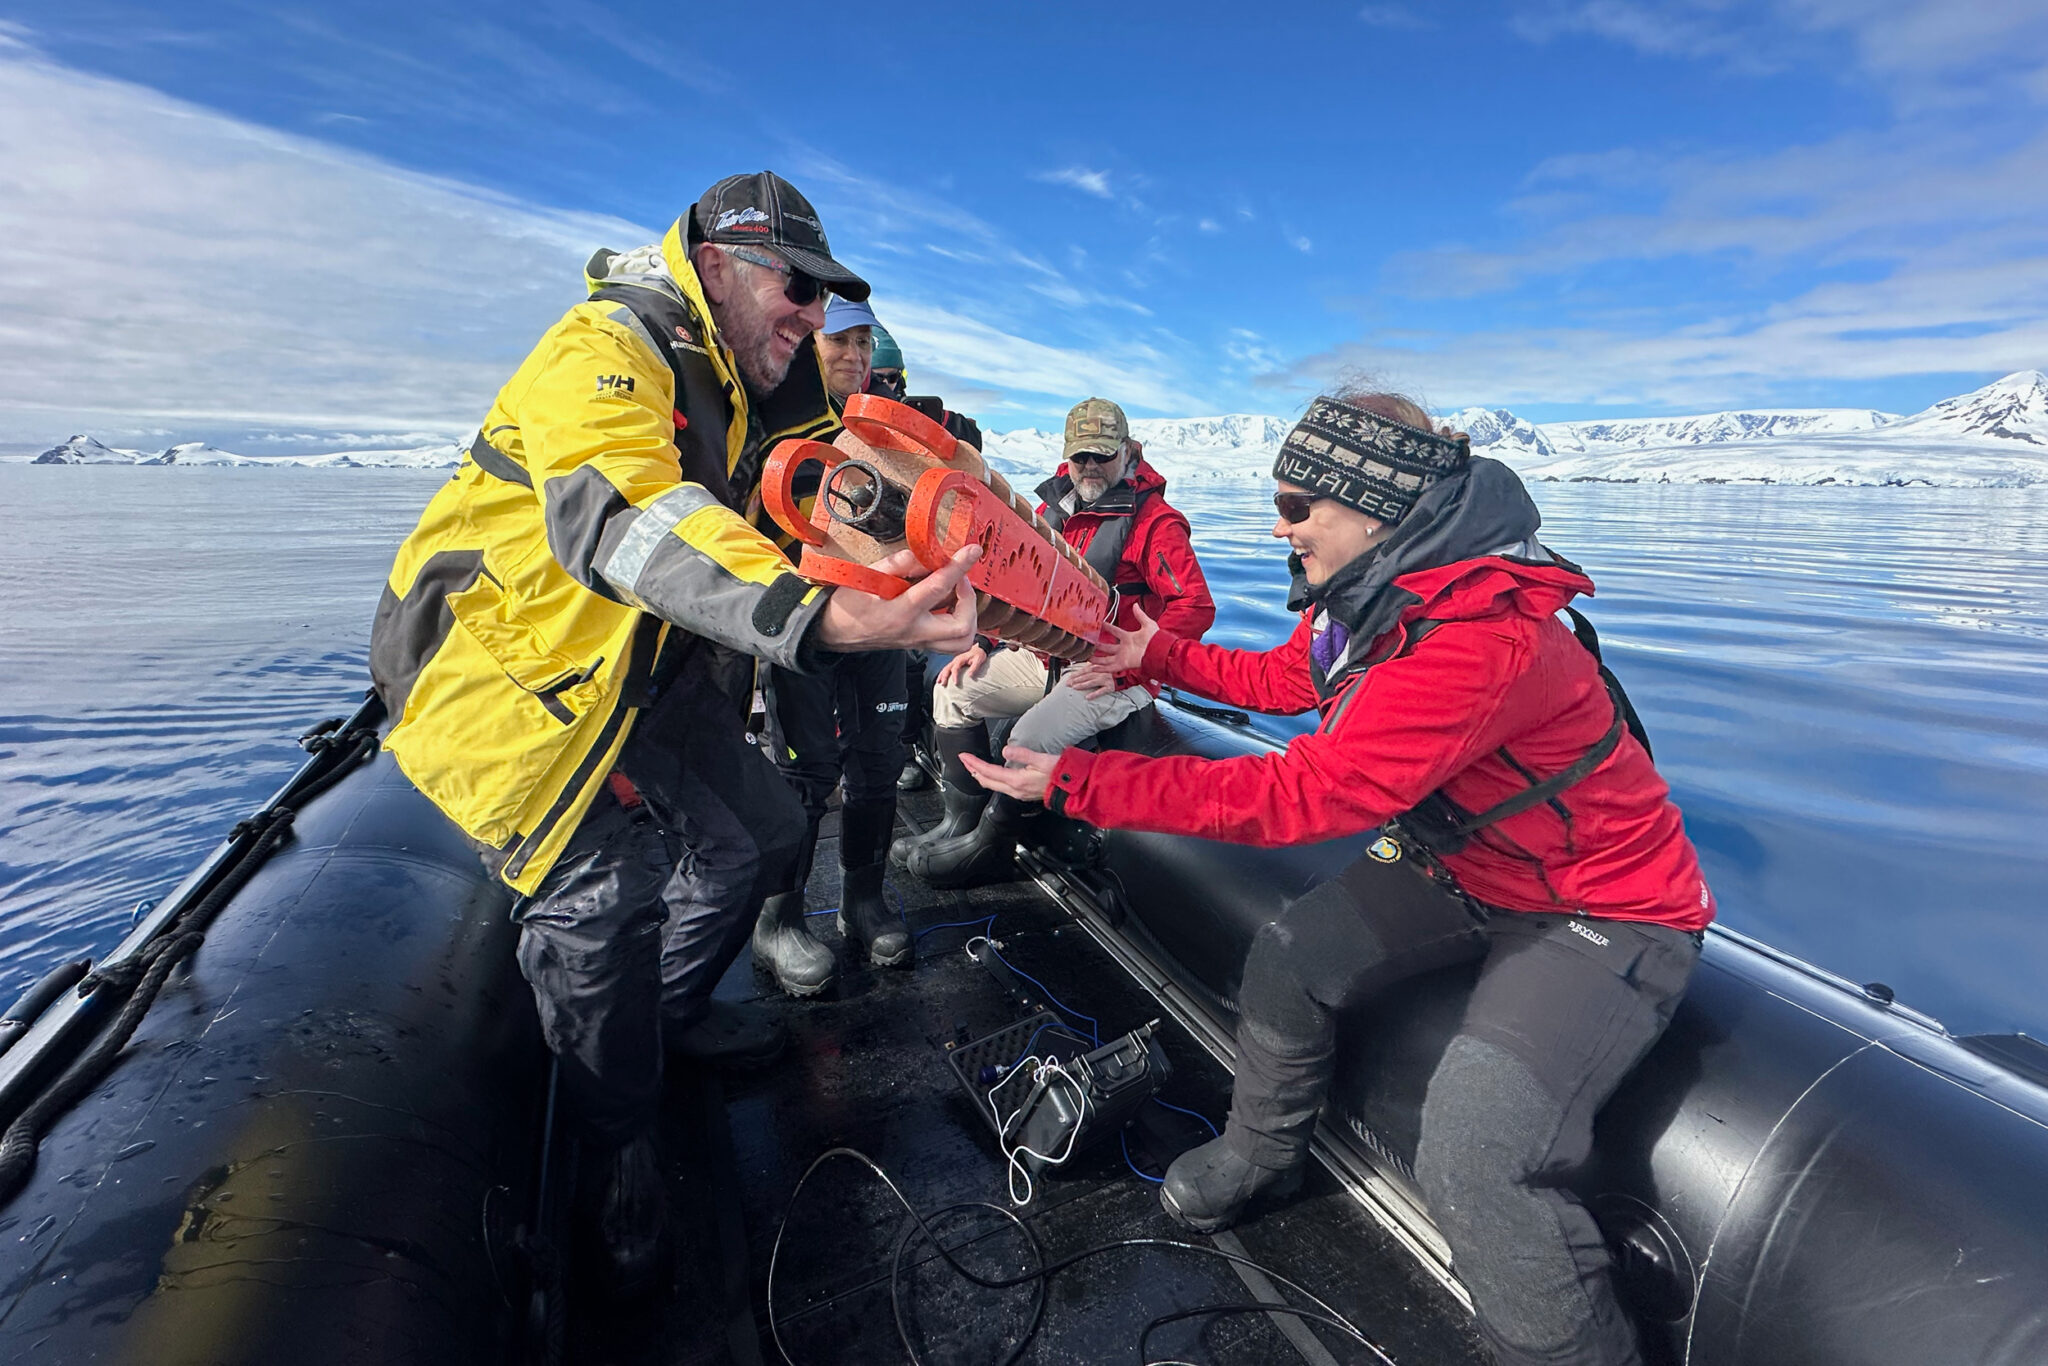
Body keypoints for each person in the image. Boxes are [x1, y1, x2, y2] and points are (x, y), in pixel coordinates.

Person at [963, 390, 1715, 1366]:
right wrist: (1158, 654)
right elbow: (1289, 681)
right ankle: (1259, 1156)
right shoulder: (1368, 599)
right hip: (1465, 864)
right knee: (1290, 958)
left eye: (1296, 505)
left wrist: (1082, 780)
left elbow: (1305, 796)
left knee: (1475, 1153)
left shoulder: (1477, 640)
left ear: (1376, 510)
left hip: (1598, 908)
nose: (1277, 528)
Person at [369, 171, 978, 1291]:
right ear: (715, 266)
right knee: (599, 907)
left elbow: (823, 483)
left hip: (638, 674)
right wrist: (822, 616)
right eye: (797, 288)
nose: (813, 315)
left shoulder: (745, 381)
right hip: (509, 685)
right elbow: (630, 515)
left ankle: (670, 1014)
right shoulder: (602, 350)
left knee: (764, 829)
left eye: (825, 299)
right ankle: (616, 1143)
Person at [749, 294, 979, 993]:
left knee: (878, 762)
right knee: (806, 772)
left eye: (862, 343)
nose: (853, 355)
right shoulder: (773, 416)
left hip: (880, 621)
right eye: (839, 341)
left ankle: (864, 902)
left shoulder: (891, 428)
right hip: (804, 624)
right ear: (811, 343)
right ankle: (779, 920)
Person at [897, 397, 1214, 889]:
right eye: (1080, 455)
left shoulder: (1156, 524)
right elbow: (1012, 585)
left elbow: (1195, 607)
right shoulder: (1050, 511)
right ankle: (961, 822)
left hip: (1114, 671)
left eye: (1102, 455)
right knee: (952, 693)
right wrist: (985, 641)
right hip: (1048, 658)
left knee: (1028, 738)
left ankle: (994, 847)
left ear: (1129, 451)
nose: (1090, 465)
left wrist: (1132, 667)